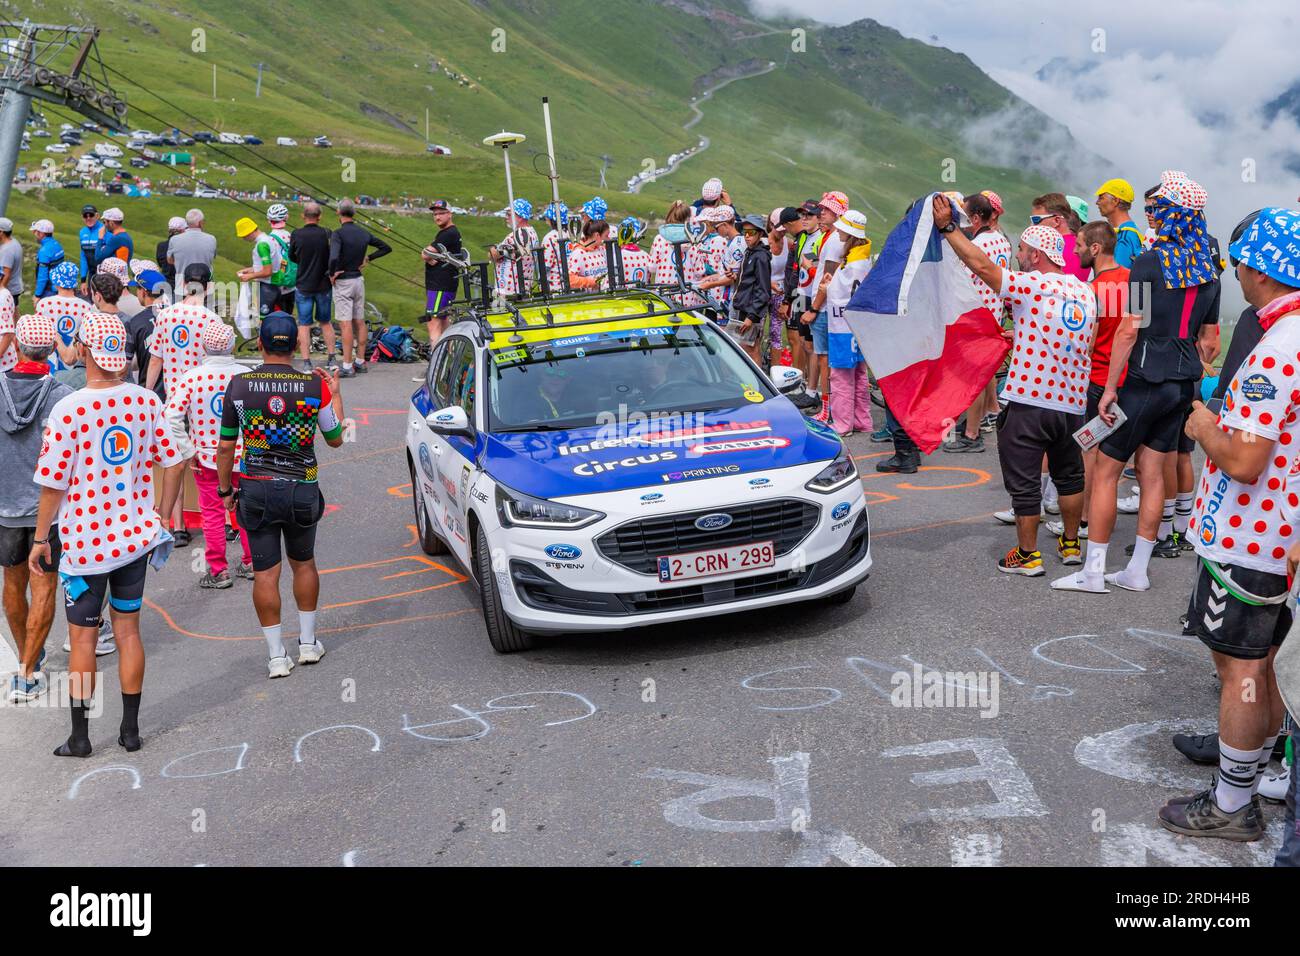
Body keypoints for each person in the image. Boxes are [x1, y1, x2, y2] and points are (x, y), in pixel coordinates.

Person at [1160, 206, 1300, 841]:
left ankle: (1230, 803)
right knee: (1265, 663)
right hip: (1281, 534)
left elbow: (1244, 459)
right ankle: (1261, 772)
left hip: (1249, 537)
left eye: (1243, 262)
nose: (1236, 273)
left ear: (1263, 270)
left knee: (1238, 669)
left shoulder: (1276, 349)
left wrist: (1203, 427)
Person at [1055, 172, 1220, 594]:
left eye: (1157, 207)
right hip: (1183, 381)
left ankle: (1093, 572)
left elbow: (1130, 328)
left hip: (1144, 375)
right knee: (1152, 472)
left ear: (1168, 214)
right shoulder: (1209, 265)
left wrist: (1110, 388)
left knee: (1107, 470)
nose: (1152, 213)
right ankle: (1137, 571)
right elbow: (1210, 341)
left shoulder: (1149, 262)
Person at [30, 311, 185, 757]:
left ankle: (80, 737)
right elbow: (173, 461)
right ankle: (130, 732)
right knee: (129, 632)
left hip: (84, 545)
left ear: (84, 351)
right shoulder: (144, 401)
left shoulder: (69, 407)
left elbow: (53, 482)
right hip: (134, 537)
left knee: (82, 638)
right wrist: (162, 514)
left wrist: (42, 539)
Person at [933, 195, 1096, 575]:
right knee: (1070, 476)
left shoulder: (1031, 285)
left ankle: (1027, 555)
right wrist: (1022, 333)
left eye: (1022, 250)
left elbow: (979, 264)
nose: (1017, 256)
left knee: (1023, 480)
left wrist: (948, 228)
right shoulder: (1084, 291)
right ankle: (1071, 545)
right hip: (1072, 403)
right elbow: (1080, 339)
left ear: (1037, 255)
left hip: (1030, 399)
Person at [216, 312, 346, 679]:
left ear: (260, 344)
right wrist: (336, 395)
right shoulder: (312, 386)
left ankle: (276, 656)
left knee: (264, 573)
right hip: (301, 485)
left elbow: (226, 447)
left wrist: (225, 490)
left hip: (256, 484)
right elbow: (336, 439)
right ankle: (307, 643)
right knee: (303, 563)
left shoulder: (239, 385)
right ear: (295, 345)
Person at [1, 314, 72, 702]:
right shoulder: (61, 395)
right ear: (50, 351)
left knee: (12, 586)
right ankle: (28, 671)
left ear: (17, 347)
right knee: (44, 586)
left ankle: (32, 656)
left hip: (6, 506)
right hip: (49, 510)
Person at [164, 321, 252, 589]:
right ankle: (251, 560)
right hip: (244, 453)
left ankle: (218, 569)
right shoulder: (247, 375)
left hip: (207, 456)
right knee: (247, 508)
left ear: (203, 346)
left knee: (212, 512)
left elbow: (172, 416)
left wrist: (188, 450)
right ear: (232, 345)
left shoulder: (192, 377)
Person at [946, 192, 1012, 453]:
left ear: (975, 217)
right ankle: (982, 418)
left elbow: (961, 282)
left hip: (977, 316)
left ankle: (972, 434)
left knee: (974, 377)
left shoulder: (979, 245)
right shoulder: (1001, 241)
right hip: (993, 312)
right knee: (985, 375)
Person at [328, 199, 392, 378]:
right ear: (354, 214)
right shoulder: (363, 233)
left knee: (345, 323)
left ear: (338, 212)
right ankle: (360, 361)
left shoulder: (338, 234)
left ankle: (347, 366)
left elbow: (333, 257)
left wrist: (332, 273)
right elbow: (386, 247)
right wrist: (369, 258)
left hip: (343, 281)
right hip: (358, 280)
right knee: (359, 321)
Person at [825, 210, 874, 436]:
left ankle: (842, 423)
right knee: (859, 373)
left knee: (841, 376)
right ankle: (862, 420)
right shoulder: (862, 257)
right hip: (860, 328)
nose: (838, 231)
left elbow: (841, 293)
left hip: (842, 326)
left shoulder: (852, 263)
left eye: (842, 228)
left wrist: (828, 286)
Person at [805, 191, 850, 422]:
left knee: (824, 359)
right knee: (828, 358)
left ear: (838, 213)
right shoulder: (834, 237)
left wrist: (813, 308)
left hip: (823, 308)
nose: (822, 212)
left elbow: (827, 278)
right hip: (829, 306)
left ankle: (828, 409)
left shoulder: (834, 240)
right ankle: (834, 407)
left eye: (827, 209)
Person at [289, 201, 334, 370]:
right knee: (325, 322)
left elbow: (292, 255)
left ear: (303, 216)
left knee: (304, 324)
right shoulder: (327, 233)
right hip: (323, 284)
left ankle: (307, 362)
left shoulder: (297, 234)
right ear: (319, 216)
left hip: (303, 283)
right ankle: (331, 358)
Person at [726, 214, 772, 362]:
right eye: (744, 232)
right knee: (744, 347)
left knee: (751, 348)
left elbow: (763, 290)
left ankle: (758, 383)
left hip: (751, 312)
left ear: (759, 234)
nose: (747, 236)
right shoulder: (749, 252)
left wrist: (751, 317)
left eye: (751, 233)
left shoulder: (761, 257)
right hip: (743, 307)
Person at [36, 262, 90, 375]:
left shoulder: (44, 304)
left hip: (49, 366)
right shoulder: (86, 307)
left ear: (56, 283)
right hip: (75, 371)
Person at [421, 199, 462, 345]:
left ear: (450, 214)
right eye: (435, 214)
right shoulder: (448, 233)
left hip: (440, 286)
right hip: (445, 285)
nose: (437, 217)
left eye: (441, 213)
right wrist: (431, 258)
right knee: (444, 325)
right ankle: (447, 364)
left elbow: (425, 254)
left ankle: (436, 364)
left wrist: (429, 258)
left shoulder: (448, 234)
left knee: (433, 323)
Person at [123, 270, 167, 397]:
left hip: (150, 393)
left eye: (137, 288)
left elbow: (123, 368)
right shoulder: (179, 317)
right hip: (180, 392)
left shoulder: (134, 323)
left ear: (143, 291)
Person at [235, 216, 285, 320]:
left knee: (264, 320)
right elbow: (265, 266)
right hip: (274, 285)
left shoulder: (262, 245)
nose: (244, 239)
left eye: (243, 236)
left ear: (249, 232)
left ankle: (263, 336)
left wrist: (250, 276)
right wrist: (249, 270)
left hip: (268, 287)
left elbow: (267, 271)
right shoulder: (268, 239)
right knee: (274, 317)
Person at [1031, 193, 1089, 282]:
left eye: (1036, 220)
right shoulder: (1083, 248)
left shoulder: (1052, 250)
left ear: (1057, 221)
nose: (1033, 226)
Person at [490, 199, 537, 297]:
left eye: (509, 214)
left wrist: (493, 248)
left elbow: (493, 255)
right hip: (524, 285)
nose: (506, 218)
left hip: (508, 289)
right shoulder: (532, 232)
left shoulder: (515, 235)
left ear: (519, 216)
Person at [1095, 178, 1145, 267]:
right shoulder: (1125, 232)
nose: (1097, 203)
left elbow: (1116, 277)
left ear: (1115, 201)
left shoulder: (1125, 236)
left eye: (1101, 198)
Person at [166, 208, 217, 285]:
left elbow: (170, 260)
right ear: (200, 223)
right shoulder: (211, 239)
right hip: (206, 285)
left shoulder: (174, 239)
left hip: (182, 285)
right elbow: (212, 258)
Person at [650, 201, 691, 286]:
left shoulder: (659, 239)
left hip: (663, 292)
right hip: (686, 292)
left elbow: (652, 268)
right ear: (687, 218)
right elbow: (699, 271)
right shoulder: (692, 239)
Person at [567, 219, 612, 289]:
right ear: (597, 235)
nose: (608, 239)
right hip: (589, 298)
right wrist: (591, 282)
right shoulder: (578, 253)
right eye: (606, 235)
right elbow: (570, 280)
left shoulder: (601, 249)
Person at [539, 201, 570, 292]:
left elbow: (546, 265)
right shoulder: (570, 234)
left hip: (555, 284)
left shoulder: (550, 237)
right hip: (571, 280)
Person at [616, 217, 653, 284]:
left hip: (622, 294)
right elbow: (648, 280)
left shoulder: (617, 256)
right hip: (642, 293)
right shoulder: (646, 256)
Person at [77, 204, 104, 293]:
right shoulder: (82, 232)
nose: (88, 218)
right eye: (85, 216)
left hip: (105, 275)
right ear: (82, 217)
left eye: (91, 215)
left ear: (97, 216)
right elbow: (83, 256)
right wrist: (83, 280)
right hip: (91, 275)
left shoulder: (104, 230)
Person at [0, 218, 23, 309]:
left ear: (1, 232)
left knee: (9, 317)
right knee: (14, 314)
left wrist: (1, 291)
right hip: (14, 287)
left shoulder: (7, 250)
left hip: (9, 289)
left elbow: (6, 274)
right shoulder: (13, 242)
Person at [158, 217, 185, 290]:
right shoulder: (187, 247)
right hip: (181, 286)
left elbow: (161, 264)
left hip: (165, 285)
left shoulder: (161, 246)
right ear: (182, 230)